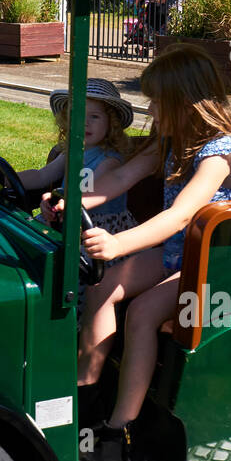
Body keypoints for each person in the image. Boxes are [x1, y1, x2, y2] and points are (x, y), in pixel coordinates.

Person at [45, 43, 231, 461]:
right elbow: (121, 178)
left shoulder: (221, 153)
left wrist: (117, 241)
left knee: (142, 314)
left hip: (220, 266)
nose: (152, 110)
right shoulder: (171, 142)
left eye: (159, 102)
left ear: (187, 103)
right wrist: (71, 204)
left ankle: (119, 440)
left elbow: (179, 215)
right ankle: (86, 407)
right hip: (180, 254)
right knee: (103, 289)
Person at [17, 80, 137, 304]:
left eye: (95, 117)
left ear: (111, 124)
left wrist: (58, 200)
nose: (85, 123)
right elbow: (42, 175)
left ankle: (74, 322)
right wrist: (7, 177)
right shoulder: (72, 151)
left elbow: (90, 193)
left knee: (72, 275)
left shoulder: (109, 160)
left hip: (95, 229)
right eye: (78, 115)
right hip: (66, 217)